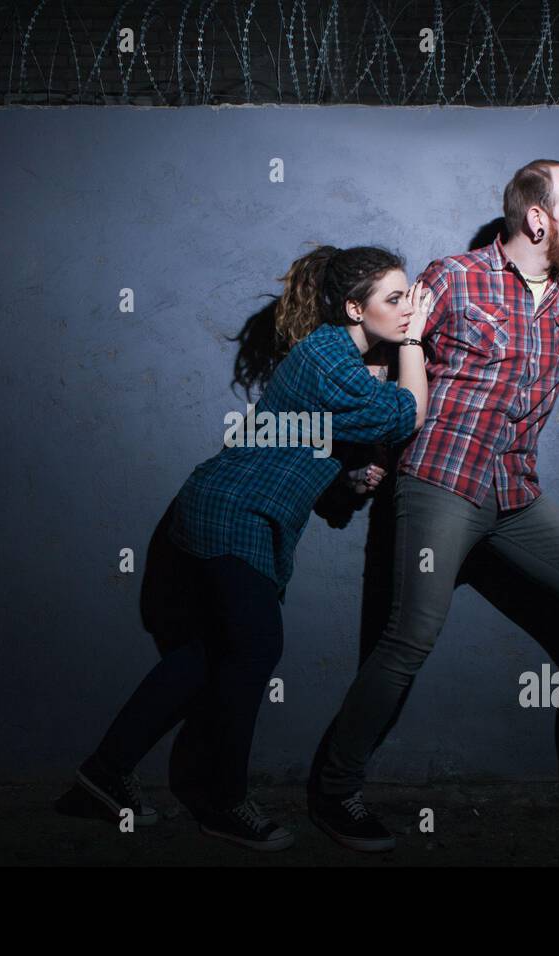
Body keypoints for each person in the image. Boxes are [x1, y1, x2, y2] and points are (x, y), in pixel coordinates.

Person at [308, 159, 559, 852]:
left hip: (514, 491)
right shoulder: (453, 276)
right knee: (409, 636)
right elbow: (388, 352)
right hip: (440, 478)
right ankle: (334, 790)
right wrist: (371, 454)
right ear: (539, 218)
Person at [70, 244, 433, 851]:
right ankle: (222, 802)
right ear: (353, 307)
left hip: (236, 510)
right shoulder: (328, 355)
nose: (406, 308)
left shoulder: (336, 359)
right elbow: (404, 415)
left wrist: (345, 475)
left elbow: (301, 436)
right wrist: (414, 344)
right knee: (257, 646)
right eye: (393, 299)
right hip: (232, 512)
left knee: (207, 655)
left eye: (408, 297)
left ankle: (102, 776)